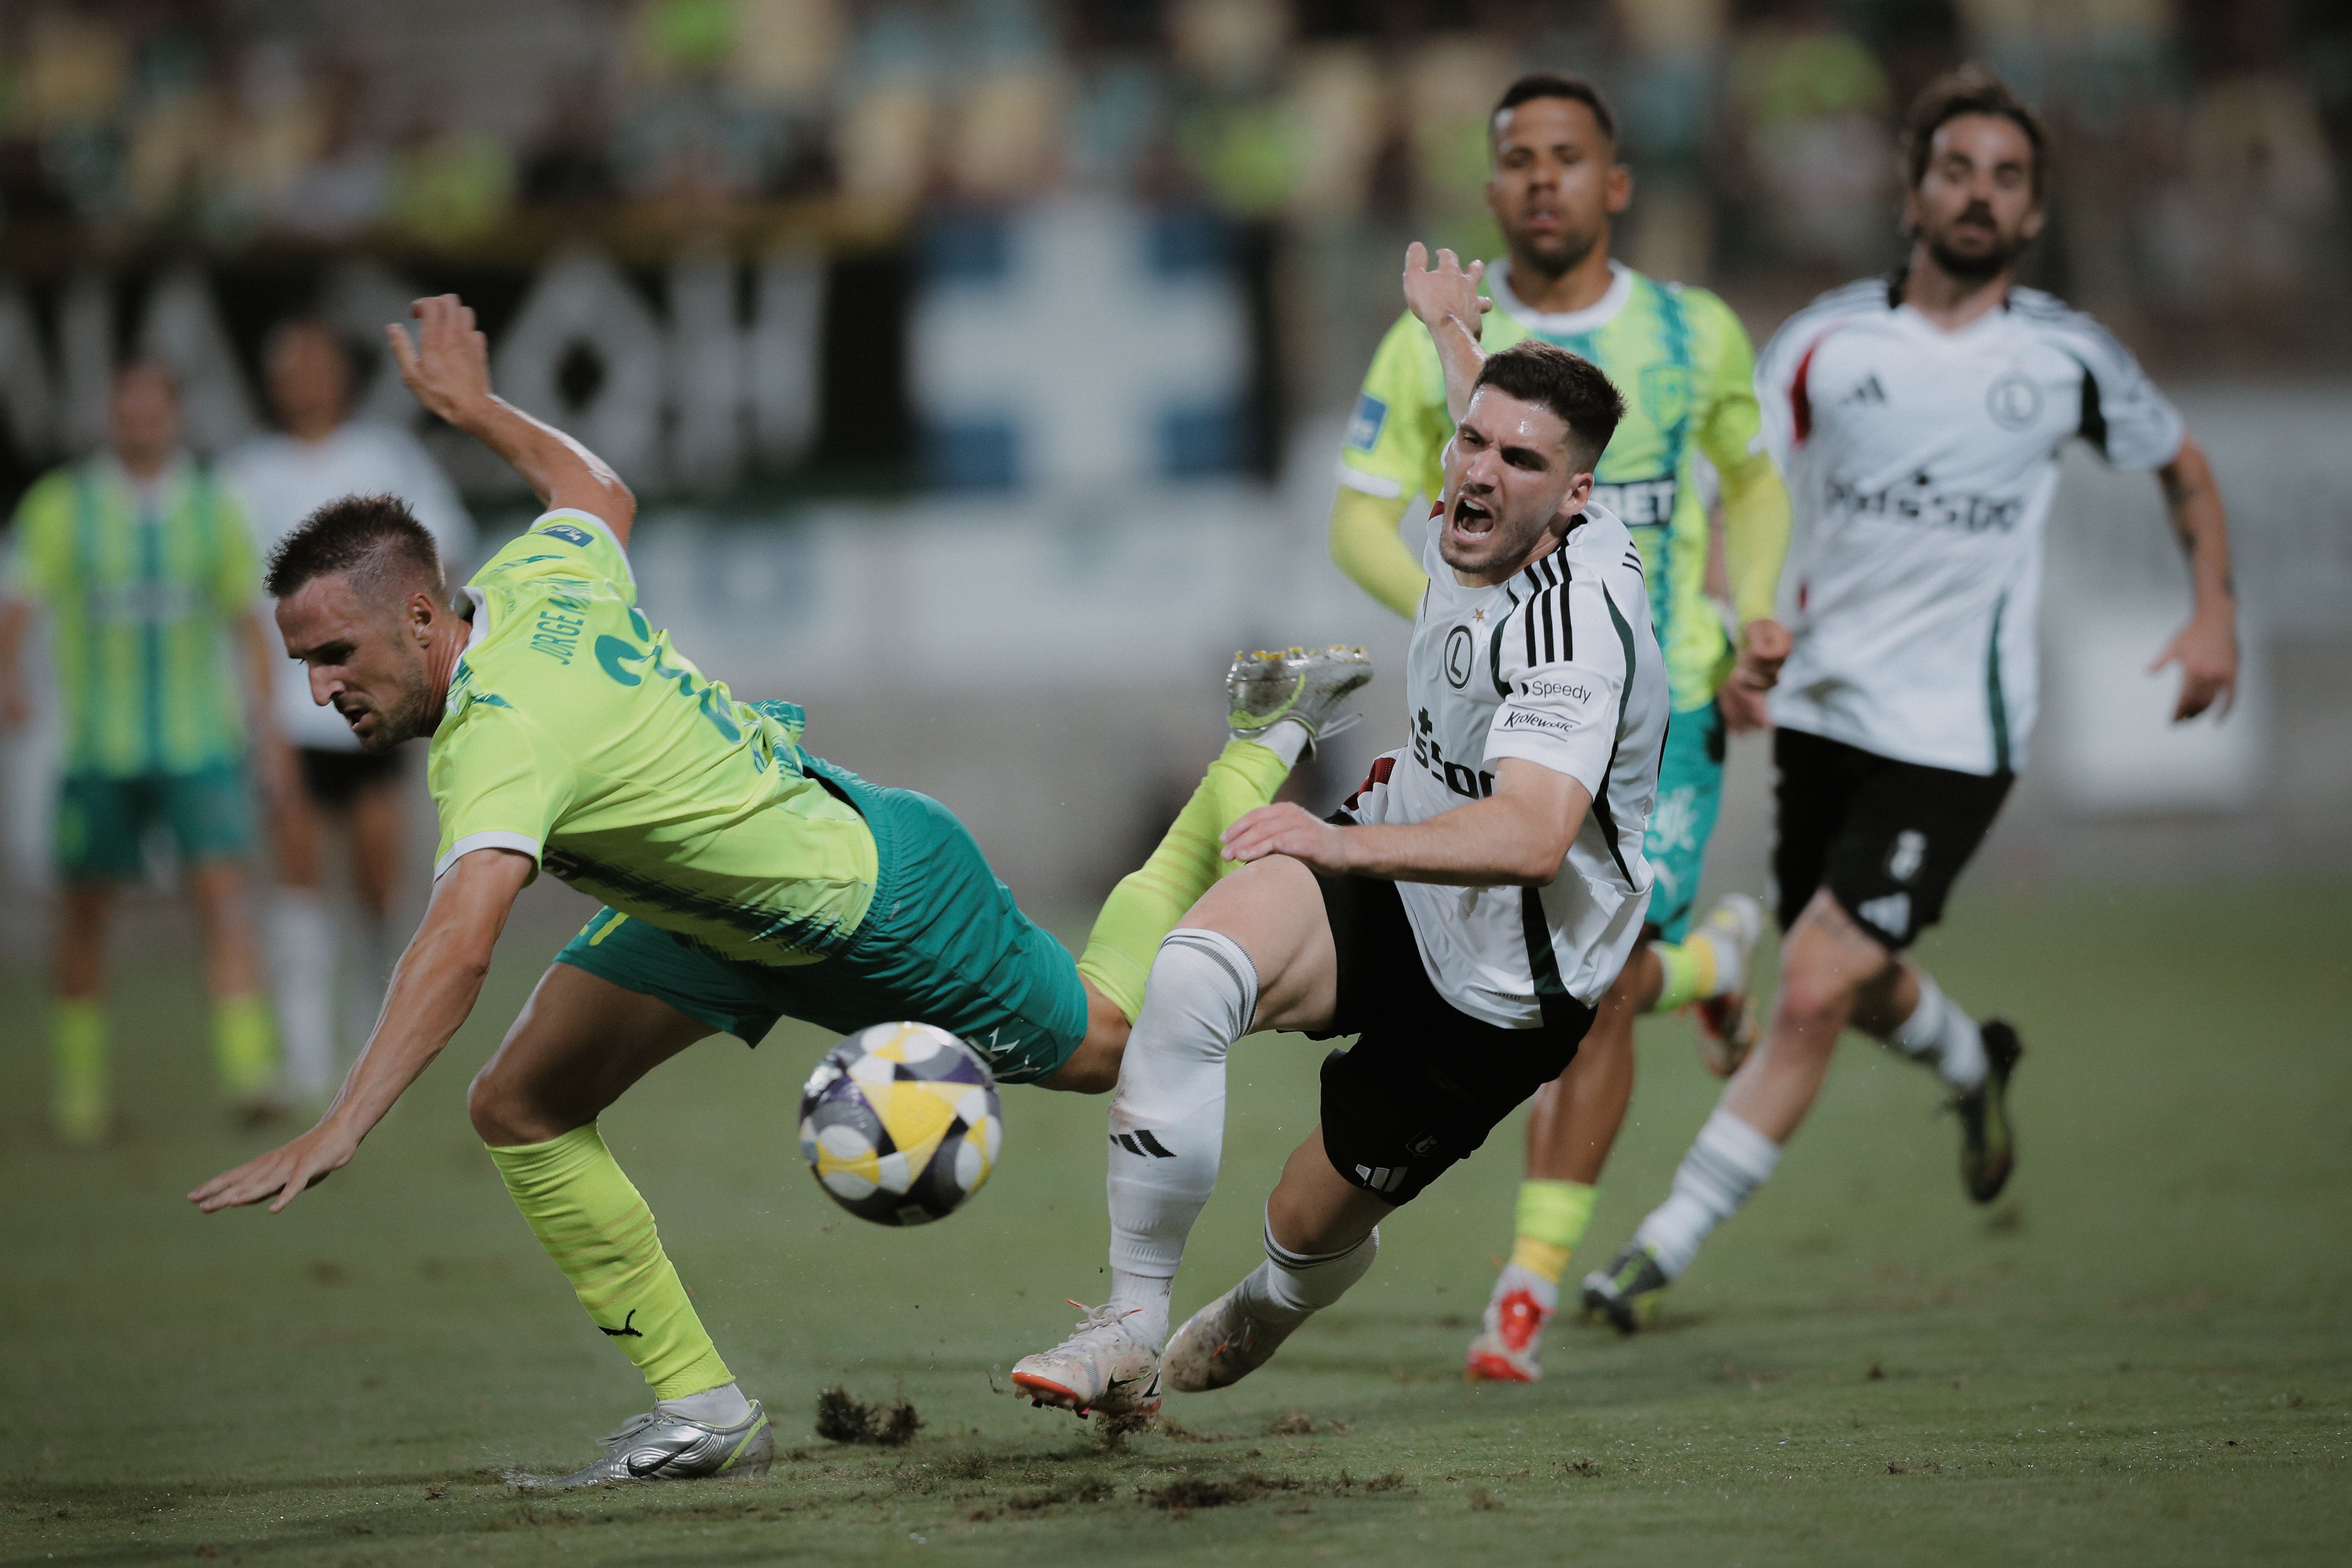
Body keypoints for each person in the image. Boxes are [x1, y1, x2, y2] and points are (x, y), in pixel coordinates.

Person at [189, 296, 1367, 1488]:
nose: (318, 689)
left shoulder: (500, 735)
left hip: (872, 902)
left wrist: (345, 1119)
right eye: (302, 664)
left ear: (420, 616)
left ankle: (1259, 741)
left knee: (1105, 1041)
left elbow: (457, 944)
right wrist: (482, 411)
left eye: (335, 655)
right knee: (521, 1102)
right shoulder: (532, 577)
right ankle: (701, 1410)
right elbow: (597, 489)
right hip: (713, 913)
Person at [1580, 65, 2241, 1331]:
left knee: (1813, 983)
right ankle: (1969, 1057)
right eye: (1955, 171)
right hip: (1819, 709)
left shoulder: (2062, 356)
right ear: (1911, 193)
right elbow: (1741, 488)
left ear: (2032, 211)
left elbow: (2182, 464)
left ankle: (1655, 1248)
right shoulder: (1825, 343)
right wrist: (1727, 629)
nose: (1978, 195)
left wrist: (2211, 612)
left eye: (2005, 178)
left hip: (1955, 732)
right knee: (1848, 969)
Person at [1009, 259, 1667, 1417]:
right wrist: (1449, 329)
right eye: (1469, 443)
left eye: (1518, 462)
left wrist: (1336, 844)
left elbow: (1531, 835)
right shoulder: (1487, 486)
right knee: (1191, 973)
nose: (1478, 472)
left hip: (1504, 984)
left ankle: (1273, 1299)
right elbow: (1492, 414)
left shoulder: (1574, 624)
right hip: (1400, 854)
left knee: (1305, 1224)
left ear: (1573, 498)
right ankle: (1126, 1324)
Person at [1326, 71, 1797, 1381]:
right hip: (1492, 726)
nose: (1542, 177)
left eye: (1567, 155)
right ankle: (1709, 967)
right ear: (1488, 189)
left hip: (1661, 712)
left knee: (1595, 990)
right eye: (1518, 157)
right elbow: (1358, 520)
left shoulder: (1694, 331)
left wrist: (1753, 613)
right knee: (1594, 977)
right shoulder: (1433, 344)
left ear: (1614, 182)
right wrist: (1468, 612)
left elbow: (1752, 486)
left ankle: (1524, 1286)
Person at [0, 362, 284, 1143]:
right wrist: (9, 679)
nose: (140, 423)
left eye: (153, 409)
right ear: (111, 416)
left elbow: (246, 622)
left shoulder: (213, 507)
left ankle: (251, 1074)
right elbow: (19, 602)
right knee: (85, 913)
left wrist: (266, 727)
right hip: (99, 749)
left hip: (199, 745)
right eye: (127, 410)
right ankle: (80, 1096)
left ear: (175, 414)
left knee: (222, 898)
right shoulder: (63, 505)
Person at [224, 318, 476, 1106]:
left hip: (375, 703)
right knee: (297, 870)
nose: (304, 381)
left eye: (316, 364)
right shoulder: (246, 475)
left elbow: (444, 552)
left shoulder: (384, 458)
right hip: (288, 709)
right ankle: (305, 1056)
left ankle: (376, 1036)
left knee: (376, 870)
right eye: (289, 368)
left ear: (341, 374)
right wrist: (253, 707)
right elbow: (233, 598)